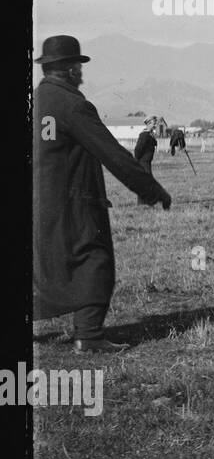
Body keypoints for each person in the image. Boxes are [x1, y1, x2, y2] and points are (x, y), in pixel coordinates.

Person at [33, 36, 173, 352]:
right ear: (69, 70)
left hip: (36, 202)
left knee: (41, 266)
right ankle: (89, 336)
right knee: (94, 260)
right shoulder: (73, 105)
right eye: (78, 68)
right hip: (72, 203)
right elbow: (113, 154)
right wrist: (152, 190)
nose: (81, 75)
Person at [133, 117, 159, 205]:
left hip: (147, 162)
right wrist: (137, 161)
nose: (155, 125)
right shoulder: (144, 135)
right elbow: (138, 149)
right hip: (143, 163)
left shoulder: (150, 135)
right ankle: (142, 204)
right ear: (148, 124)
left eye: (155, 123)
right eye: (153, 123)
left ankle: (144, 203)